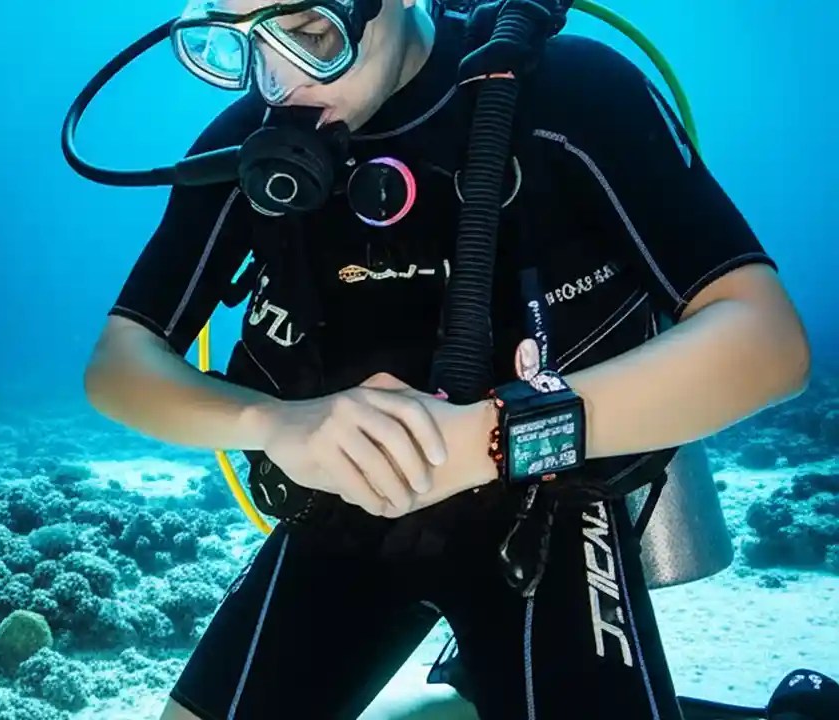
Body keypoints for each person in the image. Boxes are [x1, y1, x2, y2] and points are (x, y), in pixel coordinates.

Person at [81, 0, 813, 718]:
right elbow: (119, 363)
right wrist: (275, 424)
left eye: (308, 31)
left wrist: (491, 440)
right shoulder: (251, 145)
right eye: (236, 45)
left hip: (549, 511)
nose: (279, 82)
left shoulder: (574, 96)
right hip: (345, 507)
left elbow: (767, 342)